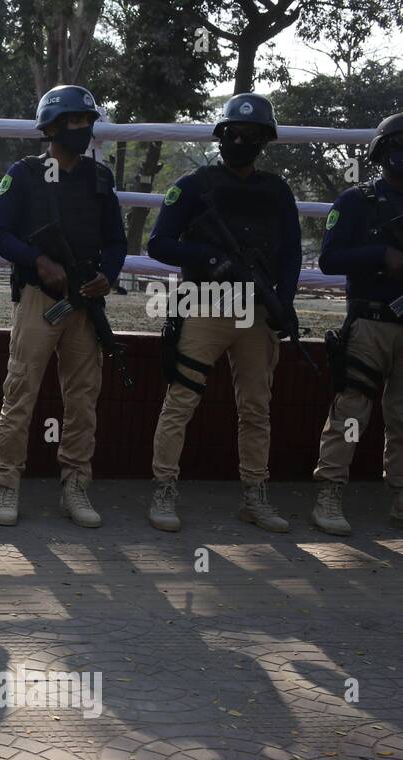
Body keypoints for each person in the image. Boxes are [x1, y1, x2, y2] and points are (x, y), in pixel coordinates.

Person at [146, 92, 300, 533]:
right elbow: (159, 243)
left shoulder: (276, 190)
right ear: (221, 134)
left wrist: (282, 304)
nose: (242, 140)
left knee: (256, 407)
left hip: (256, 310)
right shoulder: (194, 184)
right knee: (181, 400)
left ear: (264, 141)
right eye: (235, 132)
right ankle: (164, 489)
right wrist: (207, 255)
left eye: (252, 135)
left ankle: (255, 495)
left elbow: (290, 252)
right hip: (206, 303)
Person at [0, 84, 126, 528]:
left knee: (83, 399)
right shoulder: (24, 174)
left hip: (85, 302)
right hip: (38, 298)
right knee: (20, 391)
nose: (82, 129)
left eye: (87, 121)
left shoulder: (100, 178)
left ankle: (75, 486)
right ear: (52, 127)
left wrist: (110, 274)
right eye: (74, 121)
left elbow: (117, 240)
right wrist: (38, 261)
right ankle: (7, 485)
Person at [311, 111, 403, 534]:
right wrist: (380, 257)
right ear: (383, 151)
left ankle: (400, 498)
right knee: (352, 412)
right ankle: (329, 492)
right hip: (369, 323)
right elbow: (329, 259)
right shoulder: (356, 202)